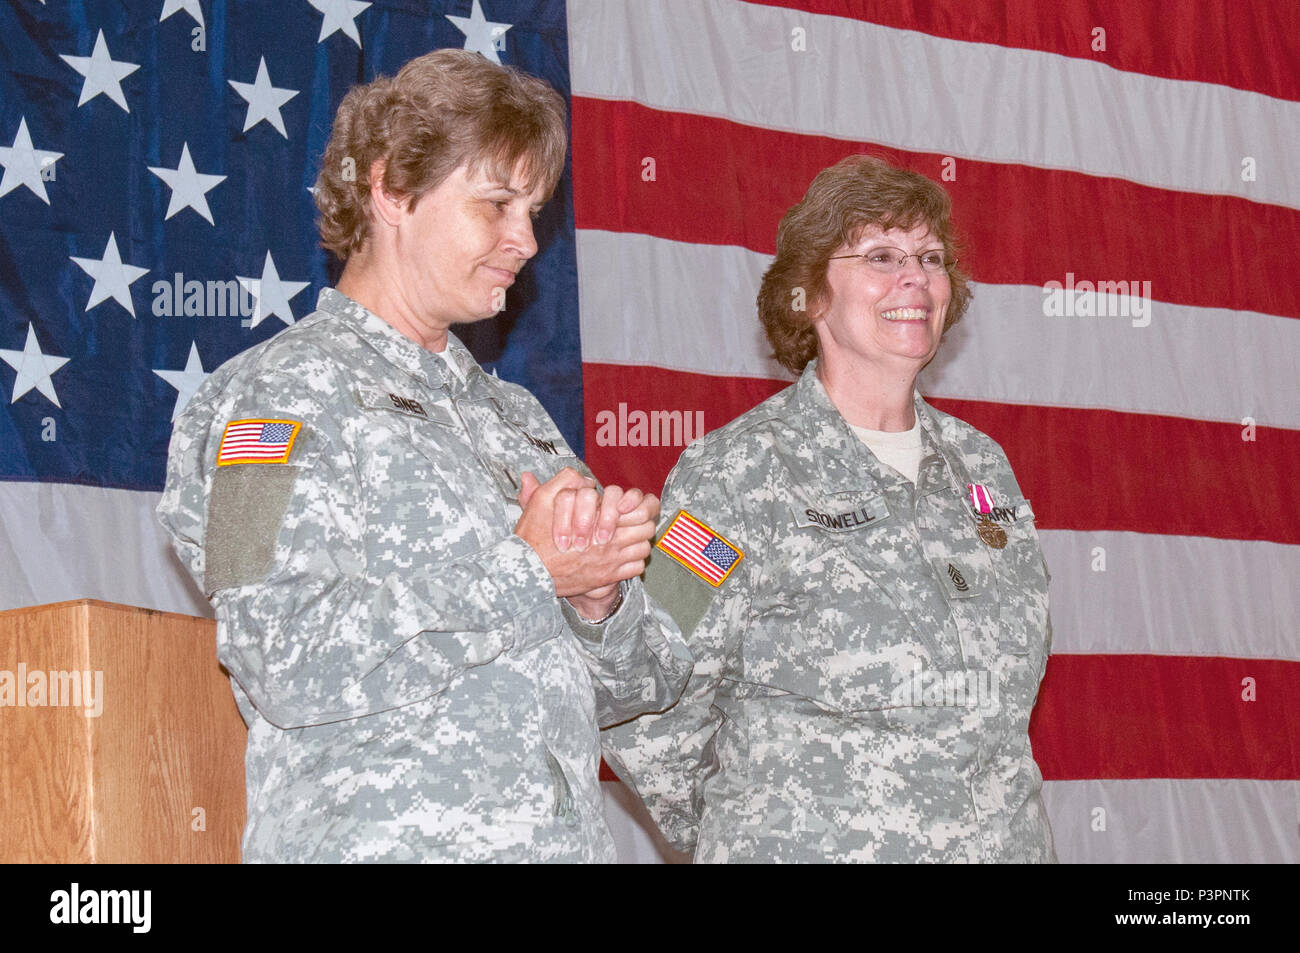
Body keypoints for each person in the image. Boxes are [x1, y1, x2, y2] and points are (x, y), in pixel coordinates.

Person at [157, 49, 691, 863]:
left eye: (535, 211)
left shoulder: (520, 420)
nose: (525, 240)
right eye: (498, 205)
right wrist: (528, 571)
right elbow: (278, 654)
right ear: (392, 190)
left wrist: (599, 603)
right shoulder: (264, 402)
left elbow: (639, 692)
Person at [602, 155, 1056, 863]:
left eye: (931, 258)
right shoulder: (734, 473)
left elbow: (1004, 700)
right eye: (881, 255)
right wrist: (759, 830)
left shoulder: (983, 469)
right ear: (810, 295)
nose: (916, 277)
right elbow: (650, 708)